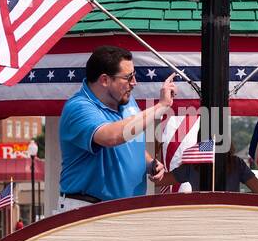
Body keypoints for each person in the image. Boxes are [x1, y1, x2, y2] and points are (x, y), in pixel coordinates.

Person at [58, 46, 174, 209]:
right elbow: (111, 137)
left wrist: (149, 164)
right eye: (128, 77)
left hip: (125, 210)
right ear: (105, 80)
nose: (134, 82)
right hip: (86, 210)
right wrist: (160, 106)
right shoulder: (78, 107)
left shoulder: (126, 100)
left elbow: (131, 144)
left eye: (134, 75)